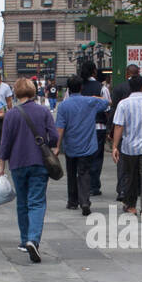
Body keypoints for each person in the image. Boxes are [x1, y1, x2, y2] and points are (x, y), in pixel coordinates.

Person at [0, 77, 59, 262]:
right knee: (37, 202)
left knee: (22, 202)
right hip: (39, 161)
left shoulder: (11, 114)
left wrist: (1, 164)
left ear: (16, 92)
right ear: (33, 91)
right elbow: (54, 136)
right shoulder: (43, 111)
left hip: (17, 163)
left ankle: (25, 240)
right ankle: (33, 239)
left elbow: (5, 142)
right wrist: (51, 146)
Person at [54, 75, 109, 215]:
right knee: (84, 173)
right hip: (87, 144)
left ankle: (72, 201)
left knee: (71, 172)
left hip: (71, 145)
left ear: (68, 89)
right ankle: (85, 200)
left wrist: (57, 146)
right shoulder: (90, 101)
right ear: (81, 87)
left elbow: (60, 128)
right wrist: (95, 97)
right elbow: (107, 102)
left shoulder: (63, 106)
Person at [112, 74, 142, 220]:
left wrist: (115, 146)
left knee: (130, 176)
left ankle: (131, 205)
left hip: (129, 147)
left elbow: (119, 126)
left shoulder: (123, 104)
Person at [109, 65, 142, 201]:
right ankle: (139, 188)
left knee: (123, 164)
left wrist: (110, 130)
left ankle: (122, 190)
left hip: (124, 131)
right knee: (141, 163)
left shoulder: (119, 88)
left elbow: (113, 110)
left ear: (126, 74)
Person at [79, 62, 109, 196]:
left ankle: (83, 184)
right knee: (97, 157)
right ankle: (94, 185)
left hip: (80, 127)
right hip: (98, 126)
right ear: (94, 71)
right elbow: (107, 107)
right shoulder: (101, 88)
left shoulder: (76, 86)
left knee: (83, 157)